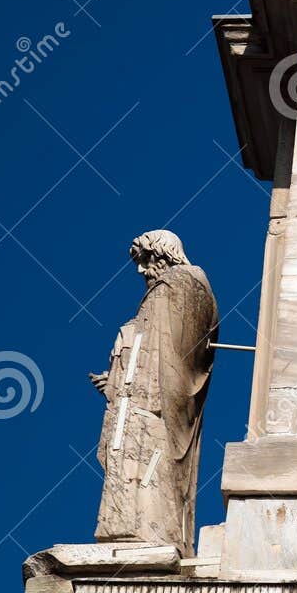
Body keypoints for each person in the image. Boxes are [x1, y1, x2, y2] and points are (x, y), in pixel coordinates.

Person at [89, 230, 217, 550]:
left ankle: (153, 536)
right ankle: (127, 533)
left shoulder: (186, 281)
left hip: (157, 404)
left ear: (163, 255)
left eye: (145, 260)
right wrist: (118, 381)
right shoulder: (161, 292)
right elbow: (148, 345)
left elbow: (182, 348)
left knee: (152, 465)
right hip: (135, 401)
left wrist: (144, 382)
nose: (141, 270)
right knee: (125, 459)